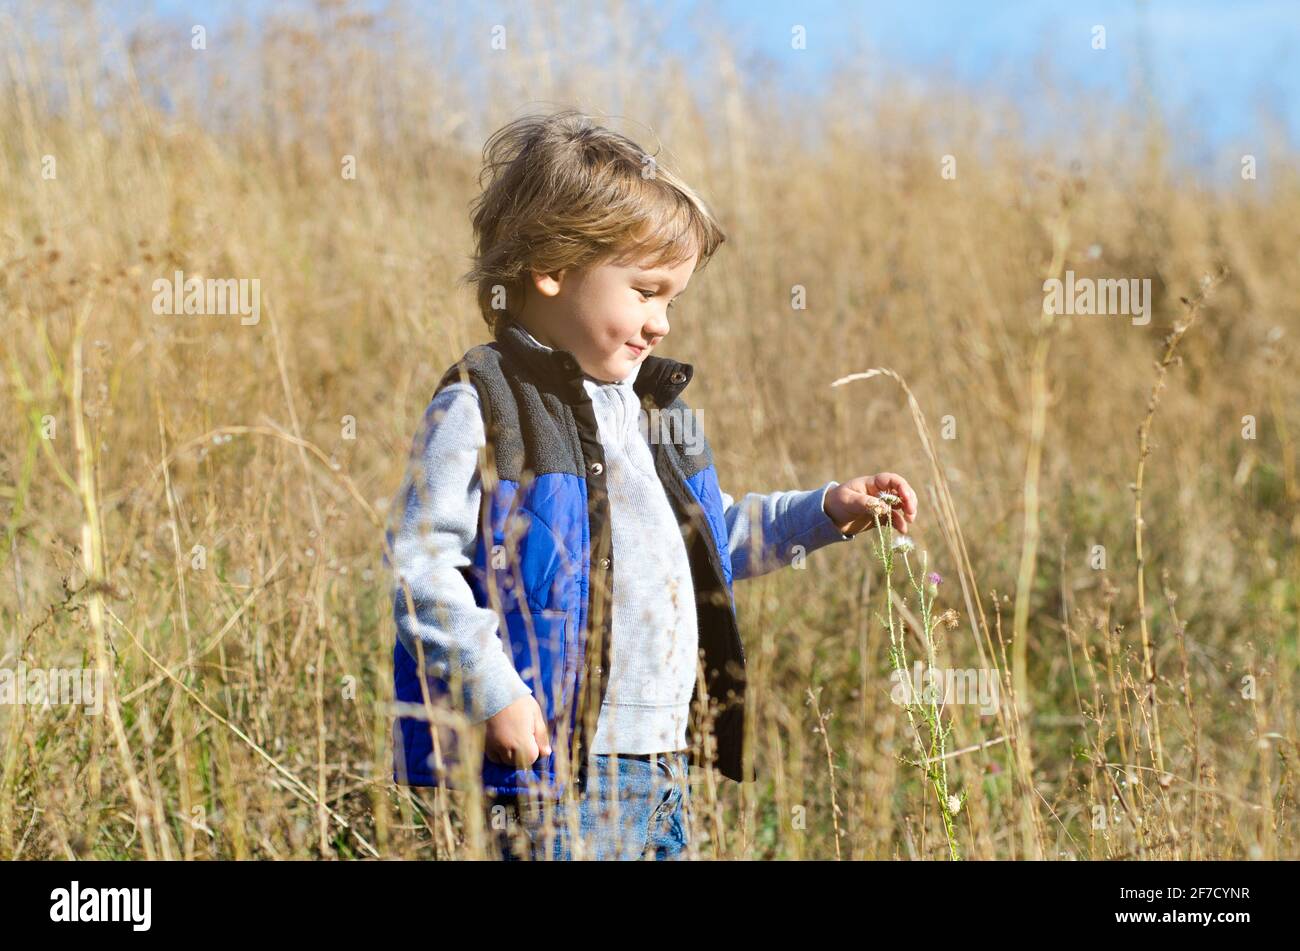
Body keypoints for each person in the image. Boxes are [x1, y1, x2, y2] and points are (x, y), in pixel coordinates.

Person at [384, 110, 918, 860]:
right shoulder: (485, 406)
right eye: (645, 292)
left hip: (665, 758)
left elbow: (713, 540)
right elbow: (418, 568)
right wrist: (492, 689)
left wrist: (824, 511)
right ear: (554, 269)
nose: (662, 322)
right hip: (554, 767)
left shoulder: (656, 414)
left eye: (673, 300)